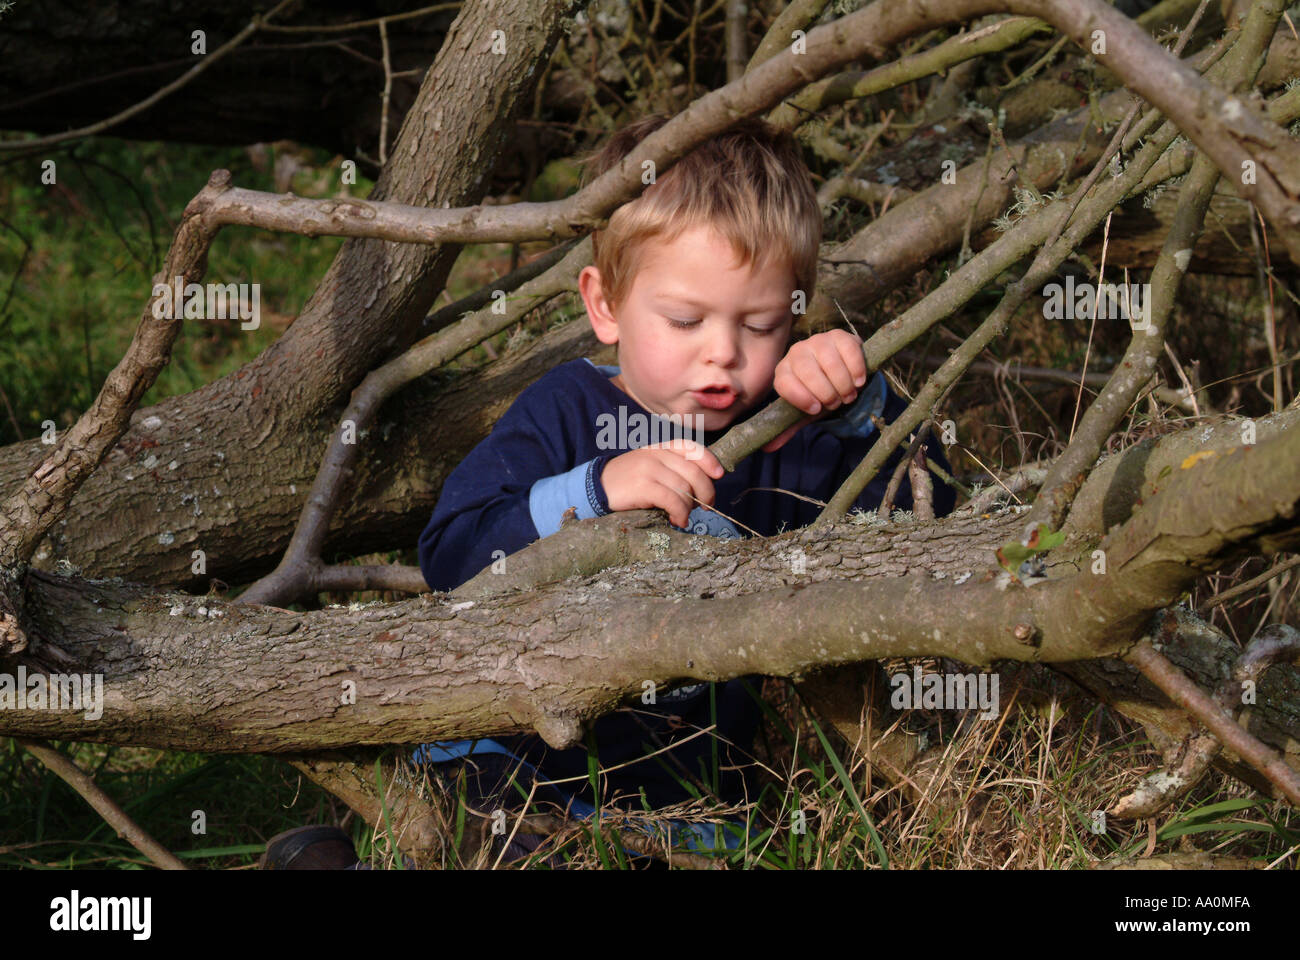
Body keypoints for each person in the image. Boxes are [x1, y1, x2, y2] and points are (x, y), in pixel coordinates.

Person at [263, 112, 954, 869]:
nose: (722, 354)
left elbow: (922, 532)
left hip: (679, 795)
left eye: (760, 325)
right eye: (686, 319)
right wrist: (590, 494)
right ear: (605, 304)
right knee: (494, 835)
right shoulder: (566, 412)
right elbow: (451, 553)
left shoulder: (790, 433)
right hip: (518, 758)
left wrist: (861, 410)